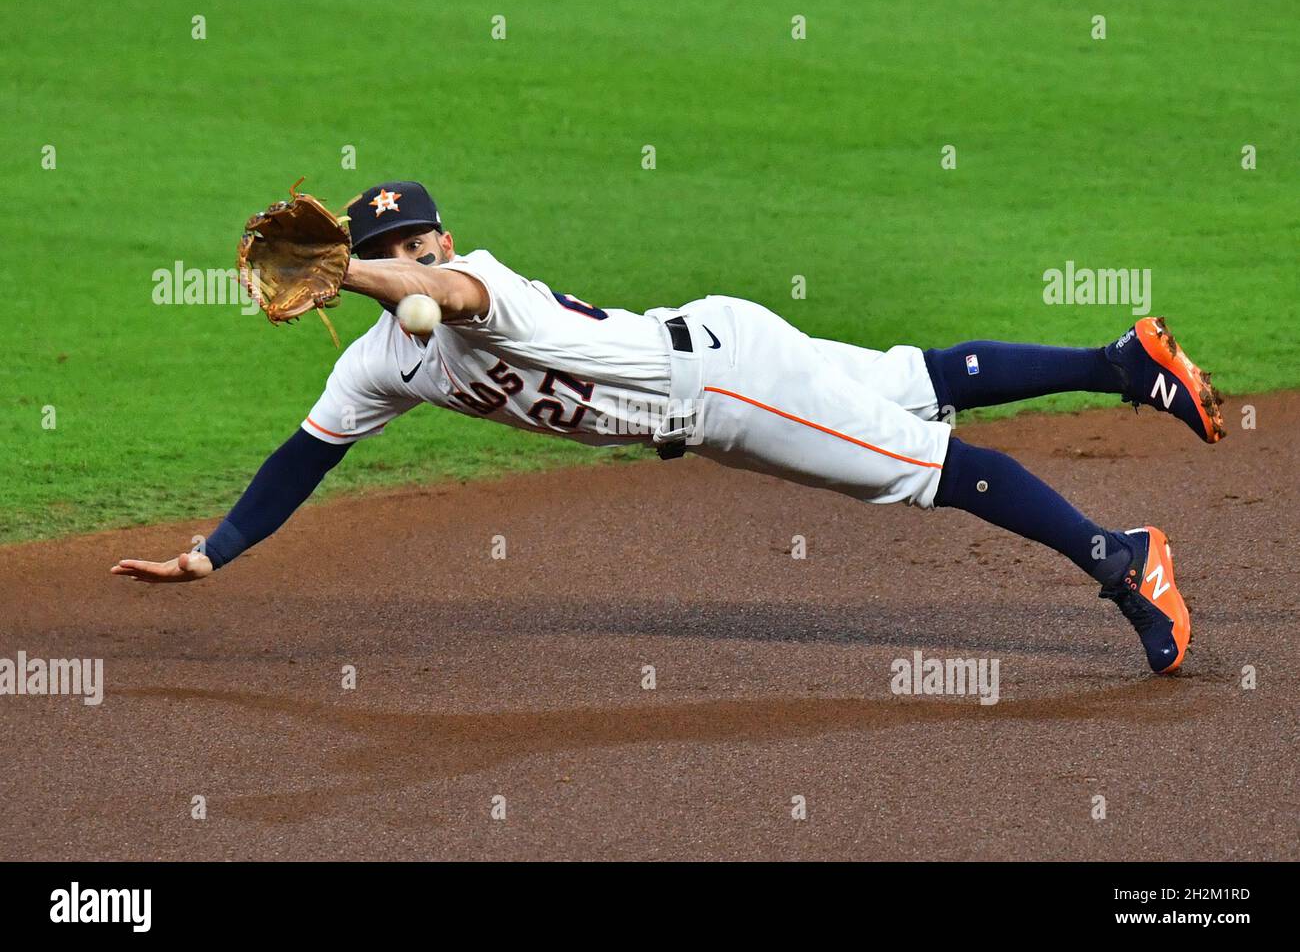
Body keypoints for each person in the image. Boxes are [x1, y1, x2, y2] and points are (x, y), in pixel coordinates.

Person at [112, 180, 1226, 674]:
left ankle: (1122, 559)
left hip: (724, 389)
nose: (422, 255)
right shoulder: (379, 361)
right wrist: (214, 552)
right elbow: (304, 455)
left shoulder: (478, 282)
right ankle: (1122, 364)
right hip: (716, 354)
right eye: (397, 244)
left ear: (445, 240)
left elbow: (455, 304)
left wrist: (356, 270)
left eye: (422, 239)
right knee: (909, 381)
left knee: (918, 466)